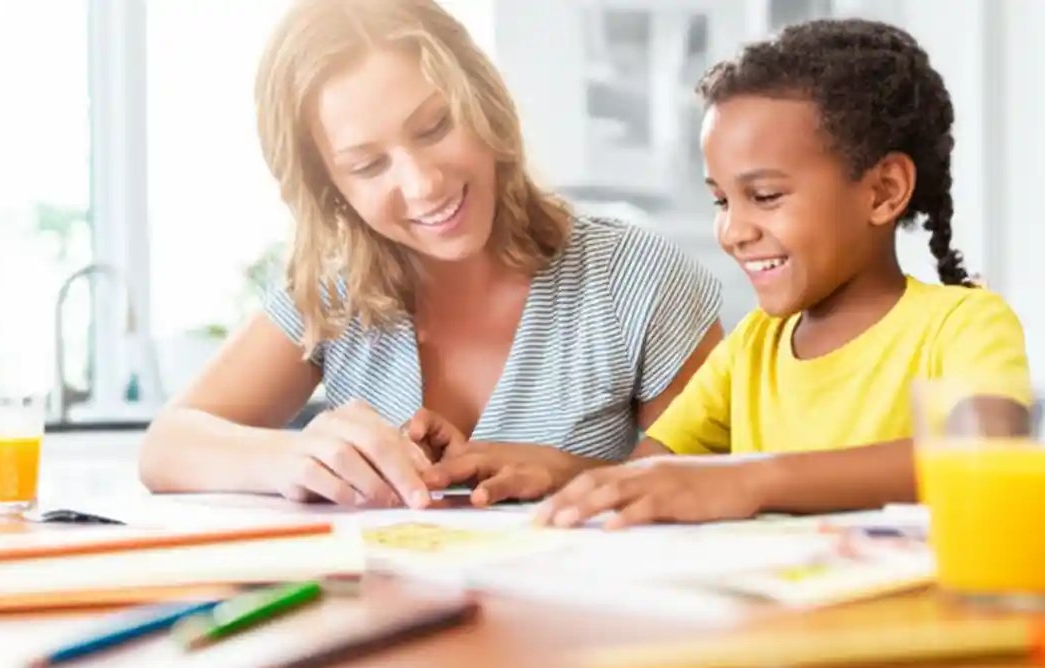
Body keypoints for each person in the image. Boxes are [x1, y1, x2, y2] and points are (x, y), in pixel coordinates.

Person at [137, 0, 723, 509]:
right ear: (329, 189)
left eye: (435, 126)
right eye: (368, 165)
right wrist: (295, 457)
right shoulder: (332, 295)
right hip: (392, 626)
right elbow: (167, 446)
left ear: (484, 102)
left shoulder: (638, 279)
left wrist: (567, 474)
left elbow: (722, 489)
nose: (423, 184)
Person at [533, 19, 1030, 529]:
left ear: (882, 191)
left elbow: (985, 453)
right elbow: (655, 474)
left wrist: (752, 479)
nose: (732, 231)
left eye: (765, 196)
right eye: (721, 200)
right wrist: (555, 472)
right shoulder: (750, 348)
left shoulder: (962, 324)